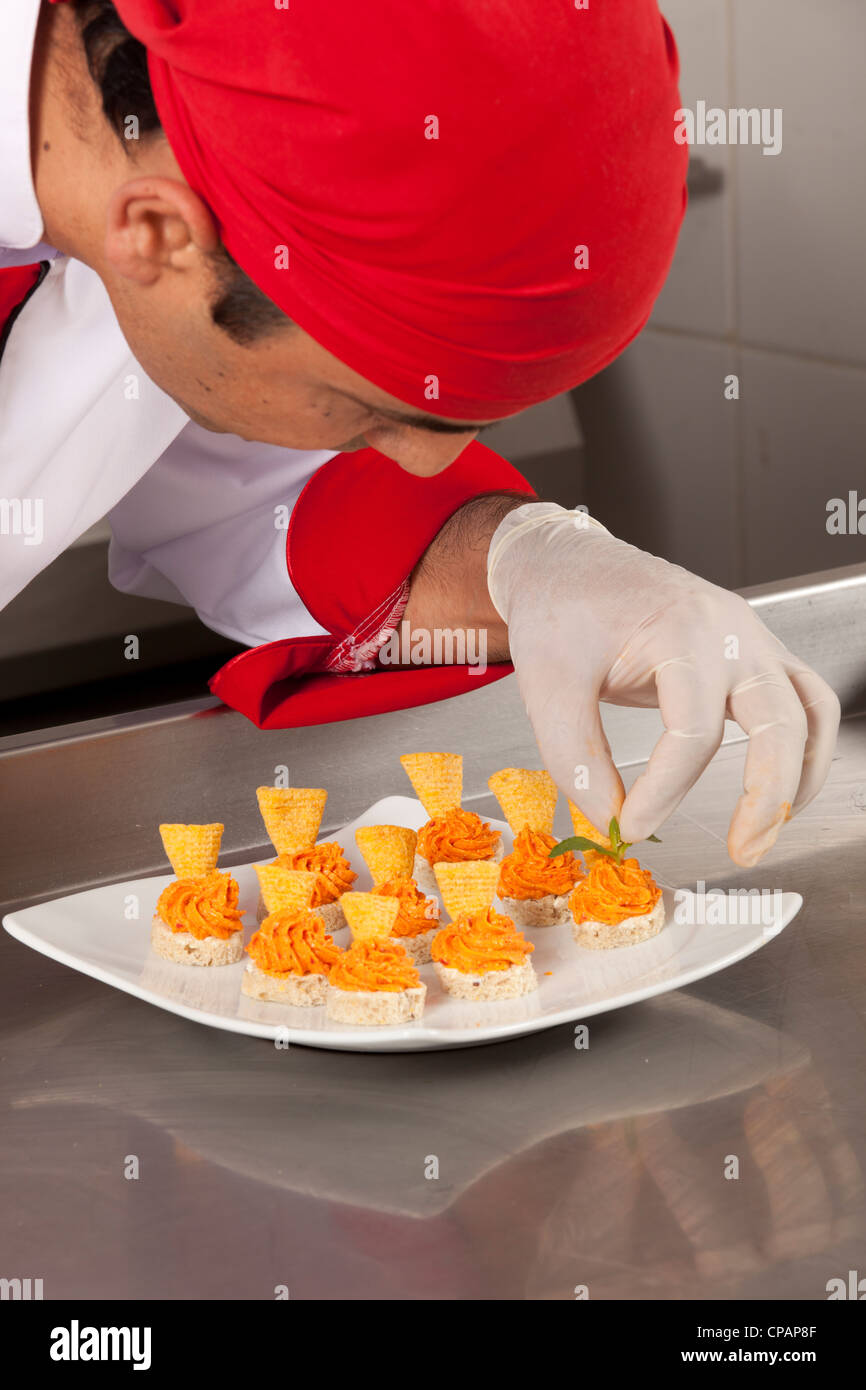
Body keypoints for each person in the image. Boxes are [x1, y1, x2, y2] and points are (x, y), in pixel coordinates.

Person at [0, 0, 839, 865]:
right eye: (367, 410)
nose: (425, 460)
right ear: (159, 234)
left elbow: (254, 492)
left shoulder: (176, 178)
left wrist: (528, 560)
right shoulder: (172, 222)